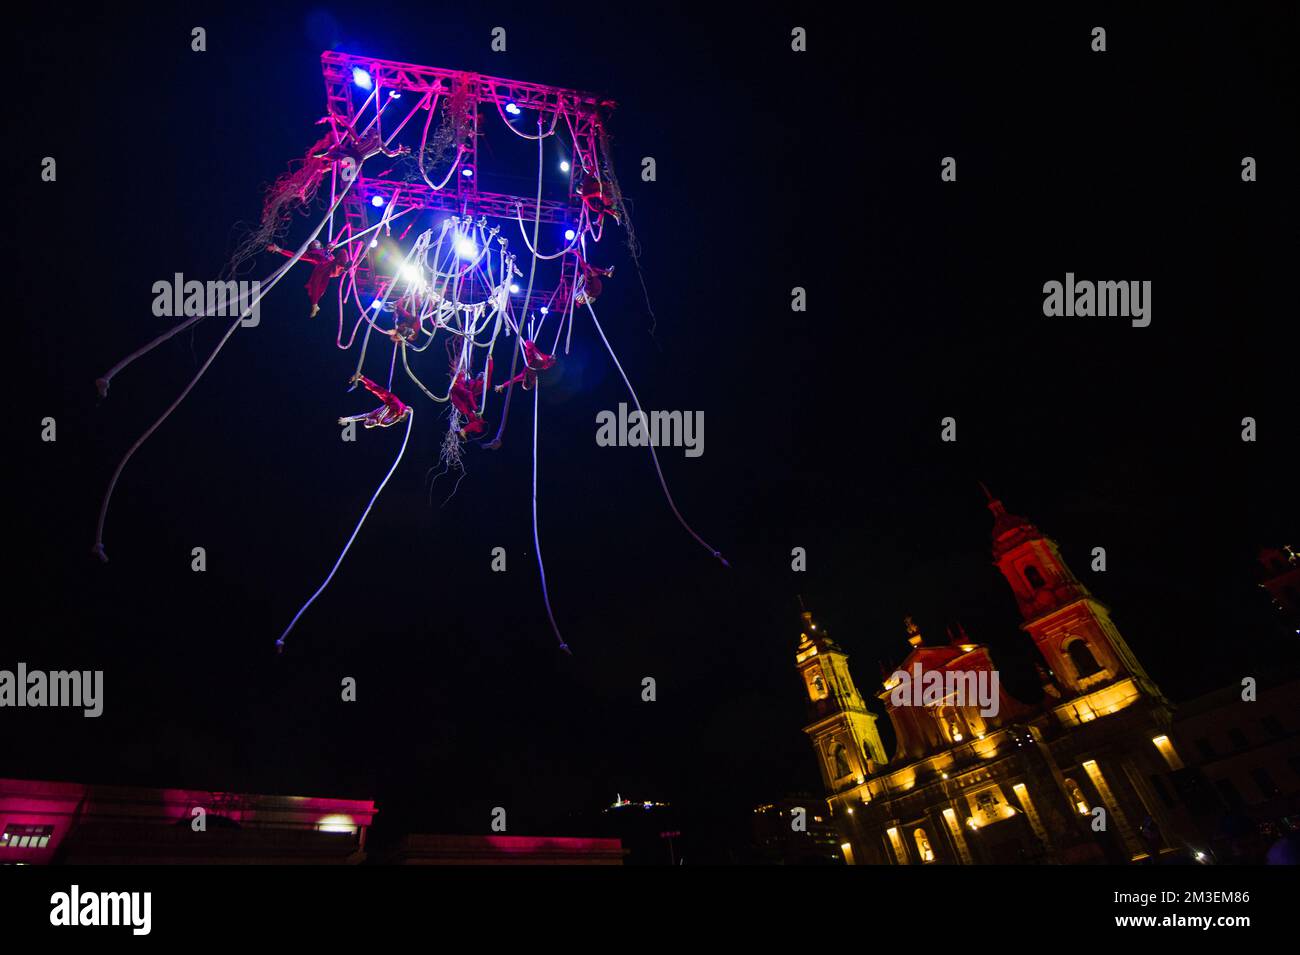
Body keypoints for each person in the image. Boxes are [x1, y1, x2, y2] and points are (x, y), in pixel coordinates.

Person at [268, 241, 349, 317]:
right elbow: (295, 255)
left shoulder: (326, 251)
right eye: (313, 244)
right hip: (325, 269)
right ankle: (314, 304)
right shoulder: (311, 254)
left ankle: (346, 268)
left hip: (336, 268)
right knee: (317, 281)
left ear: (320, 245)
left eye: (316, 242)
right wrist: (278, 249)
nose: (314, 243)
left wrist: (331, 245)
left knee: (343, 251)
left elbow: (333, 248)